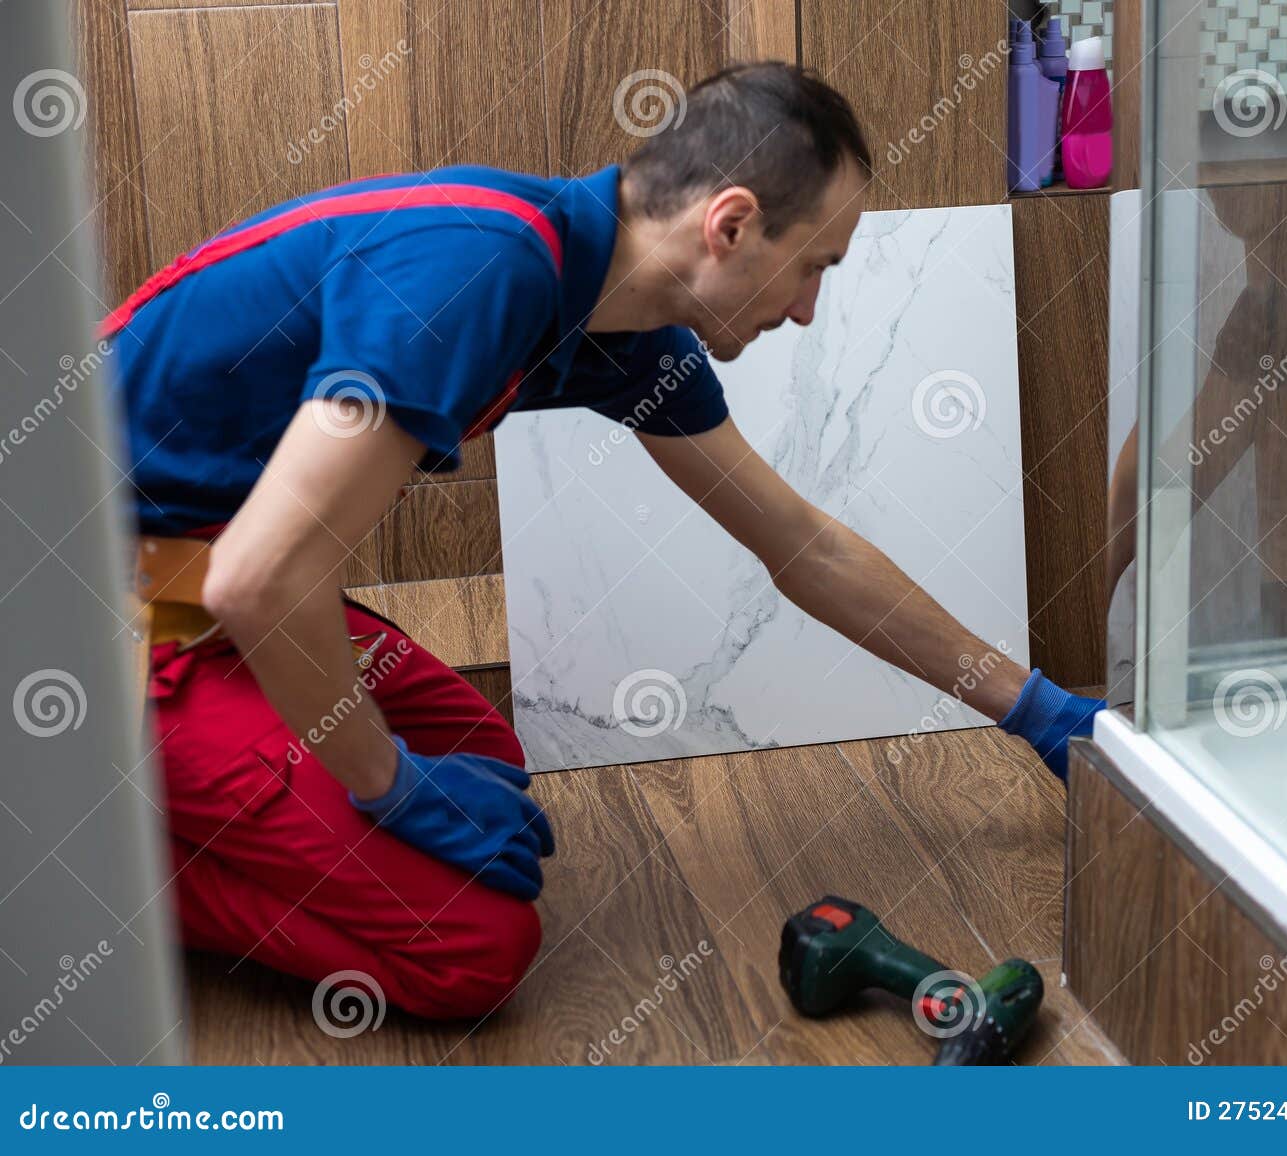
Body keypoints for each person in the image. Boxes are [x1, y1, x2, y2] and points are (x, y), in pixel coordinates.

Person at [111, 63, 1103, 1020]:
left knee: (476, 752)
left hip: (202, 586)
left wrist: (1033, 708)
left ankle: (208, 806)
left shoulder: (622, 334)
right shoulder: (474, 266)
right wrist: (383, 781)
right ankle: (84, 875)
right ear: (730, 224)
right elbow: (260, 576)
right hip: (91, 621)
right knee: (470, 945)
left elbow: (804, 548)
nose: (806, 309)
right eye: (813, 267)